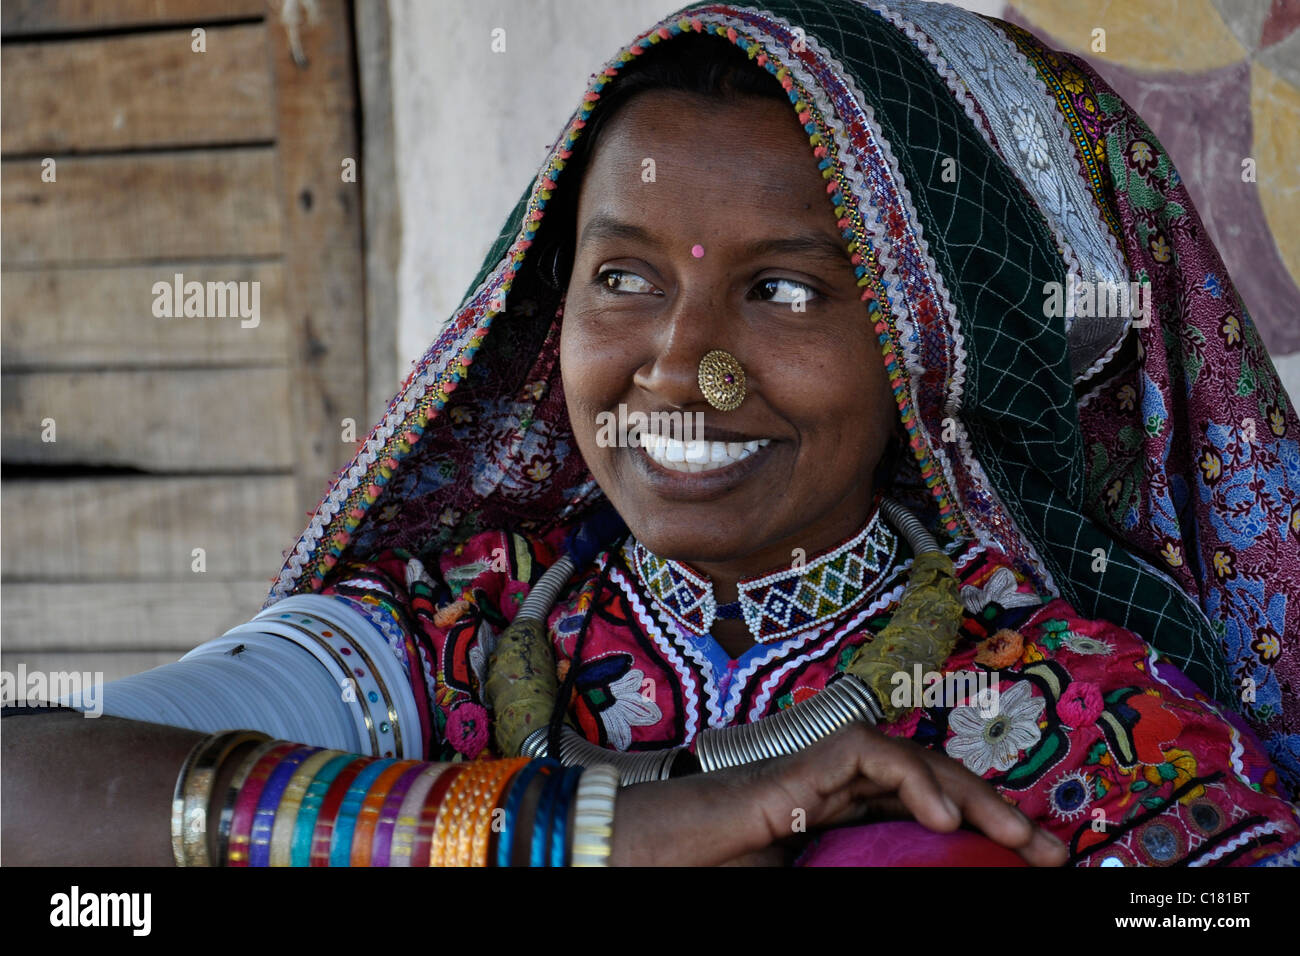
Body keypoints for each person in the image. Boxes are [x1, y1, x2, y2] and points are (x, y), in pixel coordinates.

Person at [4, 0, 1298, 867]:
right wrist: (608, 828)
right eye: (624, 279)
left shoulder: (1069, 713)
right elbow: (24, 781)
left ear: (924, 340)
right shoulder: (445, 642)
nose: (683, 366)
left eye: (784, 289)